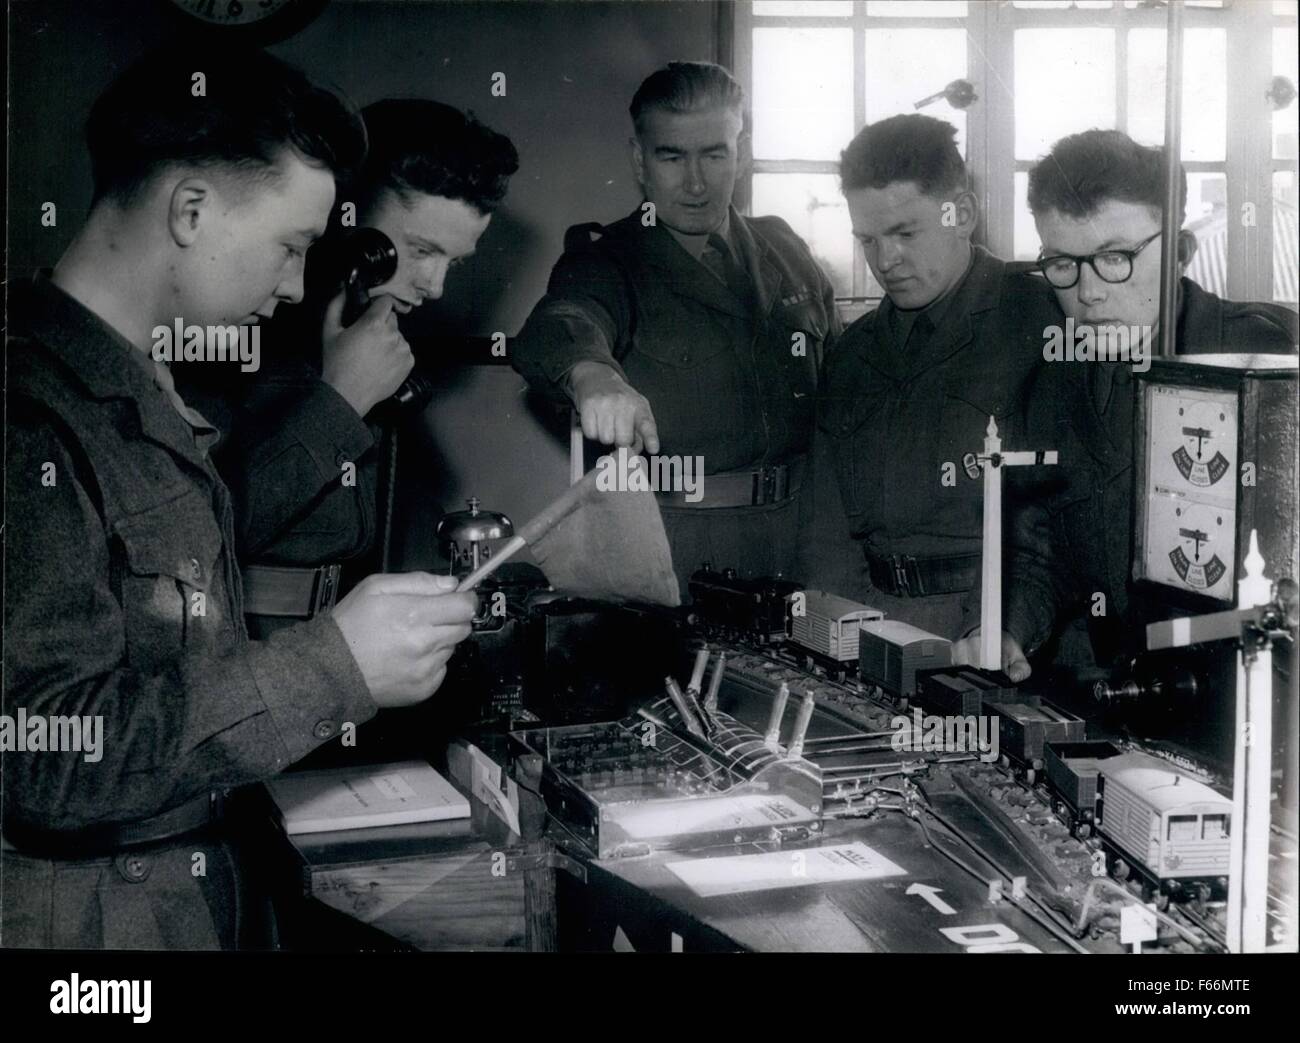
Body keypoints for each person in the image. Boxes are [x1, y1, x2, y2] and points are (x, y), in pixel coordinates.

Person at [3, 49, 478, 949]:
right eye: (291, 246)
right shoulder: (31, 414)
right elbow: (43, 752)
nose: (298, 284)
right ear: (190, 210)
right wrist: (333, 665)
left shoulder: (142, 389)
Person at [957, 129, 1299, 676]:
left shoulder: (1271, 359)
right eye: (1063, 263)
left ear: (1182, 253)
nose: (1088, 292)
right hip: (1125, 700)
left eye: (1115, 257)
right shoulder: (1054, 384)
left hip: (1257, 693)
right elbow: (1039, 554)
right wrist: (1004, 628)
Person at [176, 100, 518, 634]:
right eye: (421, 250)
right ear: (345, 217)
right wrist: (340, 399)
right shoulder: (221, 331)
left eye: (453, 261)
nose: (435, 286)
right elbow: (190, 536)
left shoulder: (368, 339)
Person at [510, 61, 840, 594]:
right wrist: (594, 376)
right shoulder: (607, 260)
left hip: (806, 539)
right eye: (672, 156)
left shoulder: (786, 248)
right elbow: (561, 321)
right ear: (639, 161)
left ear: (743, 153)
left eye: (714, 154)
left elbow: (846, 383)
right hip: (678, 548)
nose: (694, 182)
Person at [803, 114, 1060, 663]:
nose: (884, 261)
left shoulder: (1038, 323)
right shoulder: (852, 355)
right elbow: (827, 529)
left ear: (960, 213)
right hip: (870, 624)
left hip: (991, 627)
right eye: (867, 240)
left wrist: (996, 628)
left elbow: (1049, 524)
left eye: (905, 233)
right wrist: (835, 635)